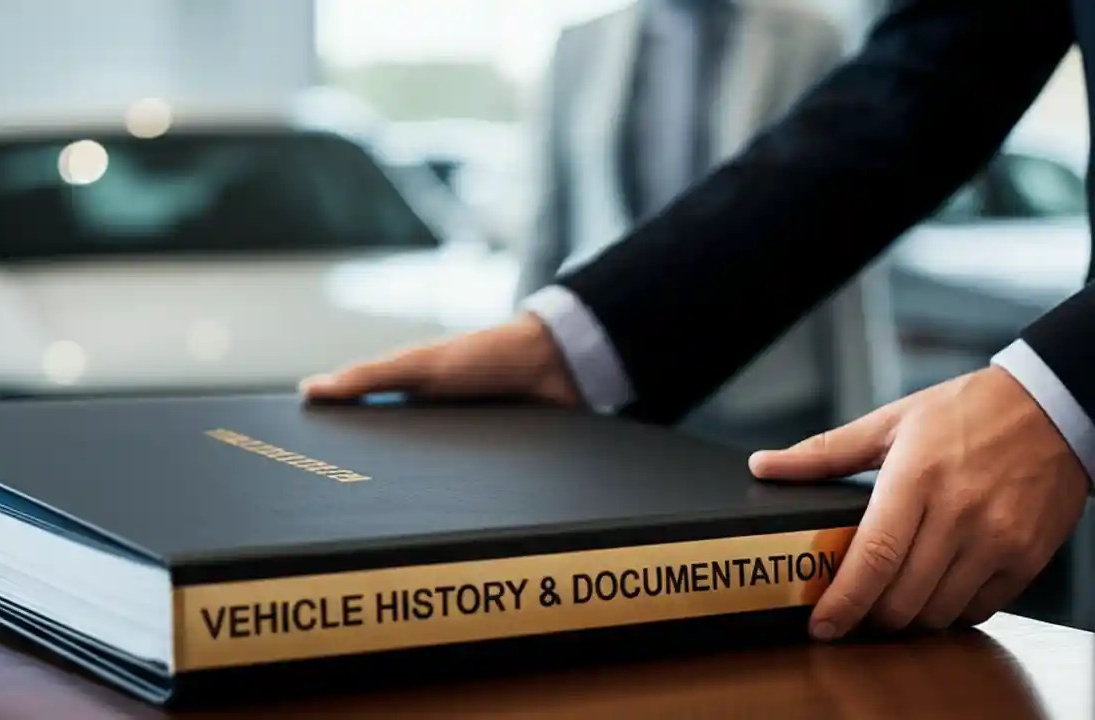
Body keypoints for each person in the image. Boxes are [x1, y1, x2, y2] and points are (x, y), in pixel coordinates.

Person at [301, 0, 1095, 646]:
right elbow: (919, 88)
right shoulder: (583, 46)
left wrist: (1066, 388)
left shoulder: (800, 31)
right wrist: (575, 339)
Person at [520, 0, 859, 449]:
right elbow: (548, 230)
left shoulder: (810, 38)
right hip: (615, 388)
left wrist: (860, 403)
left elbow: (844, 232)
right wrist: (524, 358)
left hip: (769, 394)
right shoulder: (580, 45)